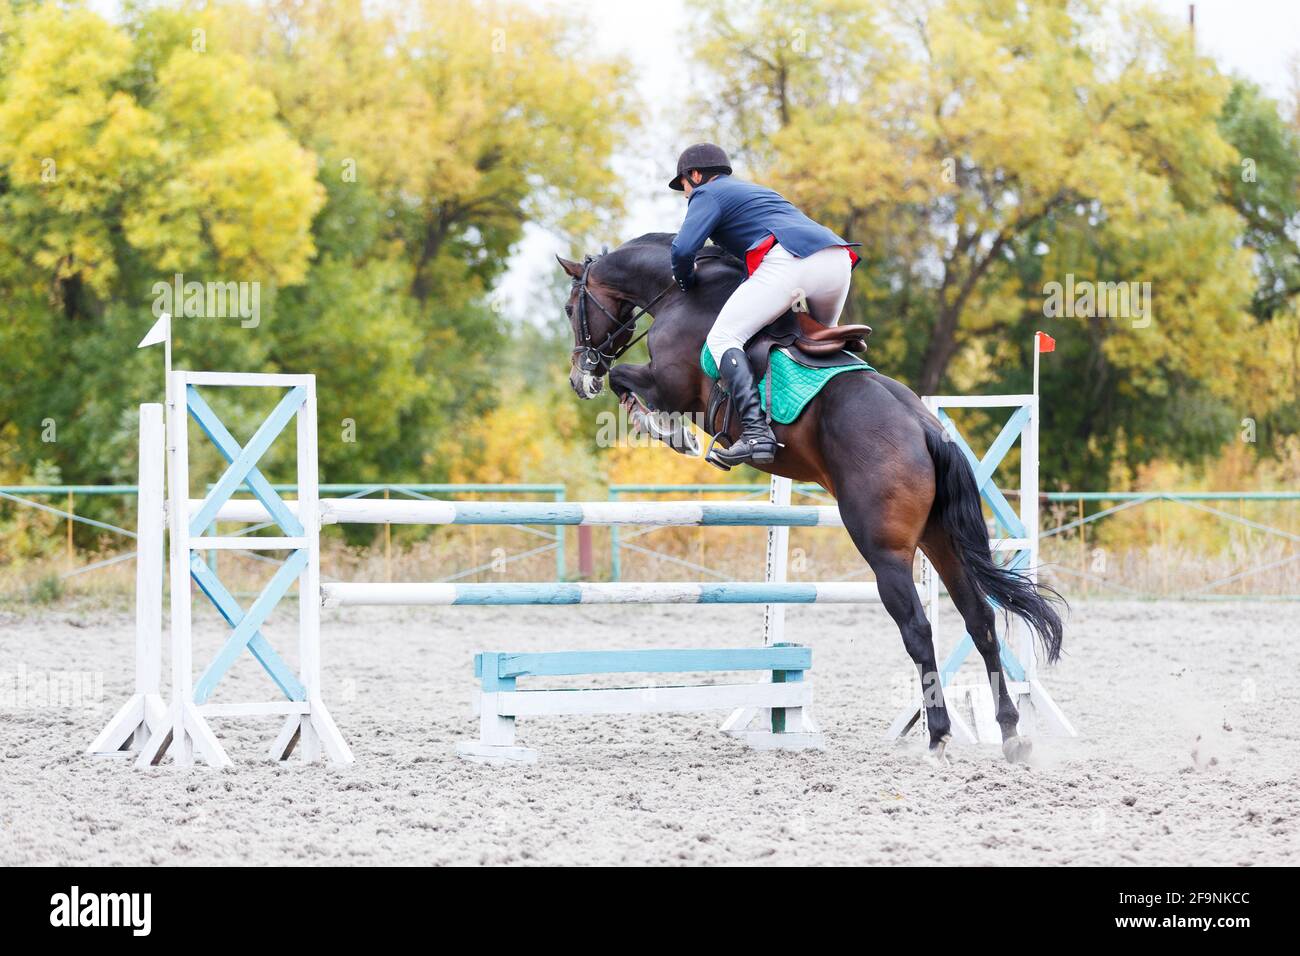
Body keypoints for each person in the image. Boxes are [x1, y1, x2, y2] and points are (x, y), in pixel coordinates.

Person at [669, 143, 858, 465]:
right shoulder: (755, 193)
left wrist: (686, 281)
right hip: (836, 261)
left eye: (684, 186)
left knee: (724, 338)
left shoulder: (707, 194)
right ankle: (828, 420)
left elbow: (683, 250)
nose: (686, 194)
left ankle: (756, 432)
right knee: (814, 343)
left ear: (696, 176)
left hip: (793, 261)